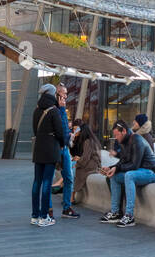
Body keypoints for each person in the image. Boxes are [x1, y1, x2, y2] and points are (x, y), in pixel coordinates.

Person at [100, 119, 155, 227]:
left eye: (117, 135)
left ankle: (129, 216)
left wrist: (116, 168)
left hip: (151, 171)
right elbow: (123, 161)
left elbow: (134, 165)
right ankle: (115, 212)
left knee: (129, 175)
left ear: (123, 131)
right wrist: (110, 168)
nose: (116, 139)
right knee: (114, 176)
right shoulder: (124, 141)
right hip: (139, 171)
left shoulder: (137, 139)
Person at [32, 83, 67, 227]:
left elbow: (35, 131)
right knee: (47, 183)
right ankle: (44, 216)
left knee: (37, 182)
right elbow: (61, 132)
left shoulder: (36, 110)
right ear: (53, 94)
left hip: (38, 149)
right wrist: (63, 141)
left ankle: (35, 215)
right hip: (50, 150)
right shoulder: (53, 111)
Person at [54, 84, 79, 219]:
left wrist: (69, 134)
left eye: (66, 93)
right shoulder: (55, 109)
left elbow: (65, 129)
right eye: (63, 93)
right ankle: (48, 210)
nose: (65, 96)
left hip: (64, 149)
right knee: (46, 179)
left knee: (69, 179)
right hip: (56, 149)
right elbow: (62, 129)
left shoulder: (61, 109)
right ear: (57, 94)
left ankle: (67, 207)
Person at [70, 121, 103, 204]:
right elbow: (83, 156)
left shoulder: (88, 141)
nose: (77, 132)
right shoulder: (88, 140)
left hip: (92, 165)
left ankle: (71, 197)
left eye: (78, 130)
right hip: (90, 162)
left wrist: (78, 163)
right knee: (72, 167)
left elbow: (86, 158)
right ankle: (70, 196)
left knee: (75, 169)